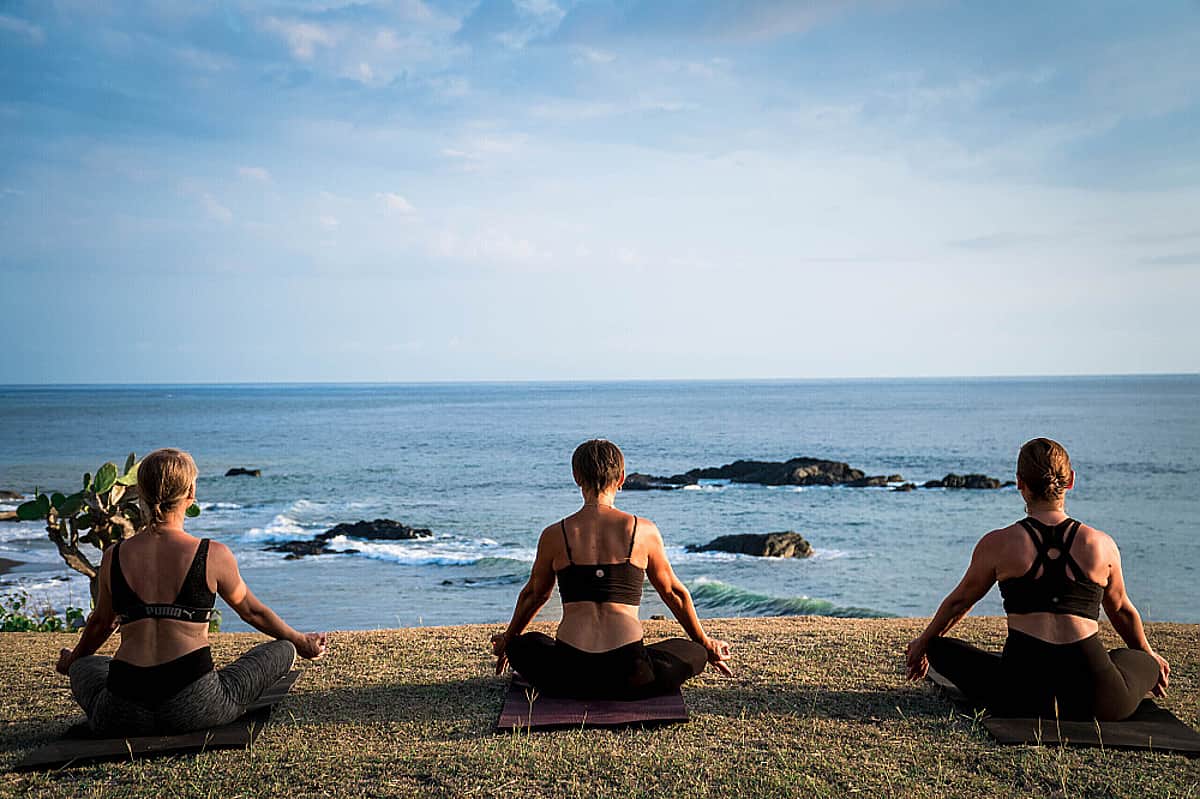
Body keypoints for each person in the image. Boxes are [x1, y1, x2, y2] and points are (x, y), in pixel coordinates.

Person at [55, 448, 328, 735]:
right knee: (283, 648)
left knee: (84, 665)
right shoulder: (212, 555)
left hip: (121, 713)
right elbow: (252, 611)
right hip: (197, 706)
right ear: (191, 492)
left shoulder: (114, 555)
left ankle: (82, 668)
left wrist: (72, 661)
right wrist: (301, 642)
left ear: (140, 495)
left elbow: (101, 623)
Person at [905, 437, 1169, 721]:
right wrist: (1148, 655)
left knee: (939, 647)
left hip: (1017, 695)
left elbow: (960, 602)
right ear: (1070, 481)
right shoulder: (1101, 545)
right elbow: (1120, 610)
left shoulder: (999, 543)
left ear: (1020, 482)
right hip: (1097, 700)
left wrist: (923, 643)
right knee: (1138, 660)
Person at [491, 439, 733, 699]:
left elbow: (534, 594)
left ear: (576, 477)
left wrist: (509, 639)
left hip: (568, 674)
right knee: (692, 651)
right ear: (622, 478)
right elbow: (674, 592)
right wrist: (706, 644)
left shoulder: (554, 535)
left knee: (523, 645)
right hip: (632, 674)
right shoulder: (643, 531)